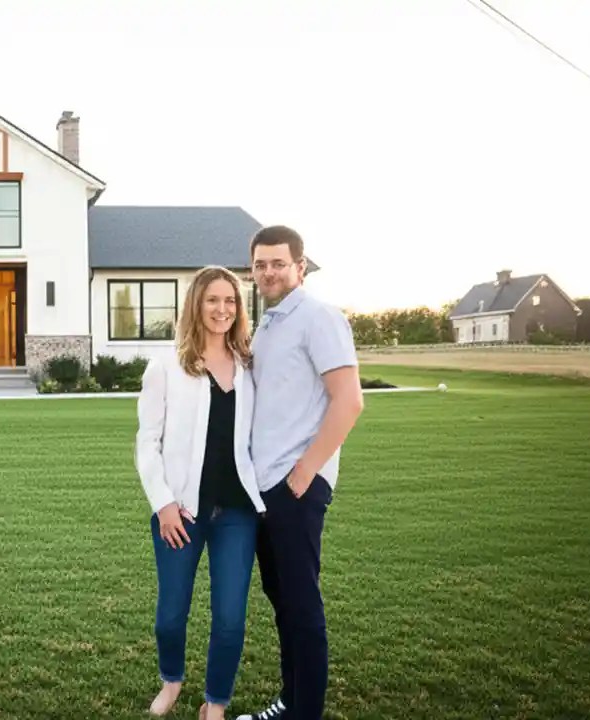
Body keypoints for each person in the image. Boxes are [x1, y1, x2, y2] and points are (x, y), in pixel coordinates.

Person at [235, 226, 364, 720]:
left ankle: (303, 711)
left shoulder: (318, 318)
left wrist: (304, 473)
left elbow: (349, 401)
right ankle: (291, 702)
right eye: (261, 264)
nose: (269, 272)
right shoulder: (268, 326)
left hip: (295, 487)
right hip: (265, 488)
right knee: (284, 600)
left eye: (279, 264)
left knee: (301, 603)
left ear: (299, 266)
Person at [135, 266, 267, 720]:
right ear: (196, 304)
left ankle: (215, 702)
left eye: (231, 301)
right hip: (180, 512)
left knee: (230, 619)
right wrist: (164, 504)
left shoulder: (251, 366)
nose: (222, 309)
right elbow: (146, 442)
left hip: (237, 513)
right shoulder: (166, 366)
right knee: (171, 615)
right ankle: (171, 680)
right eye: (213, 300)